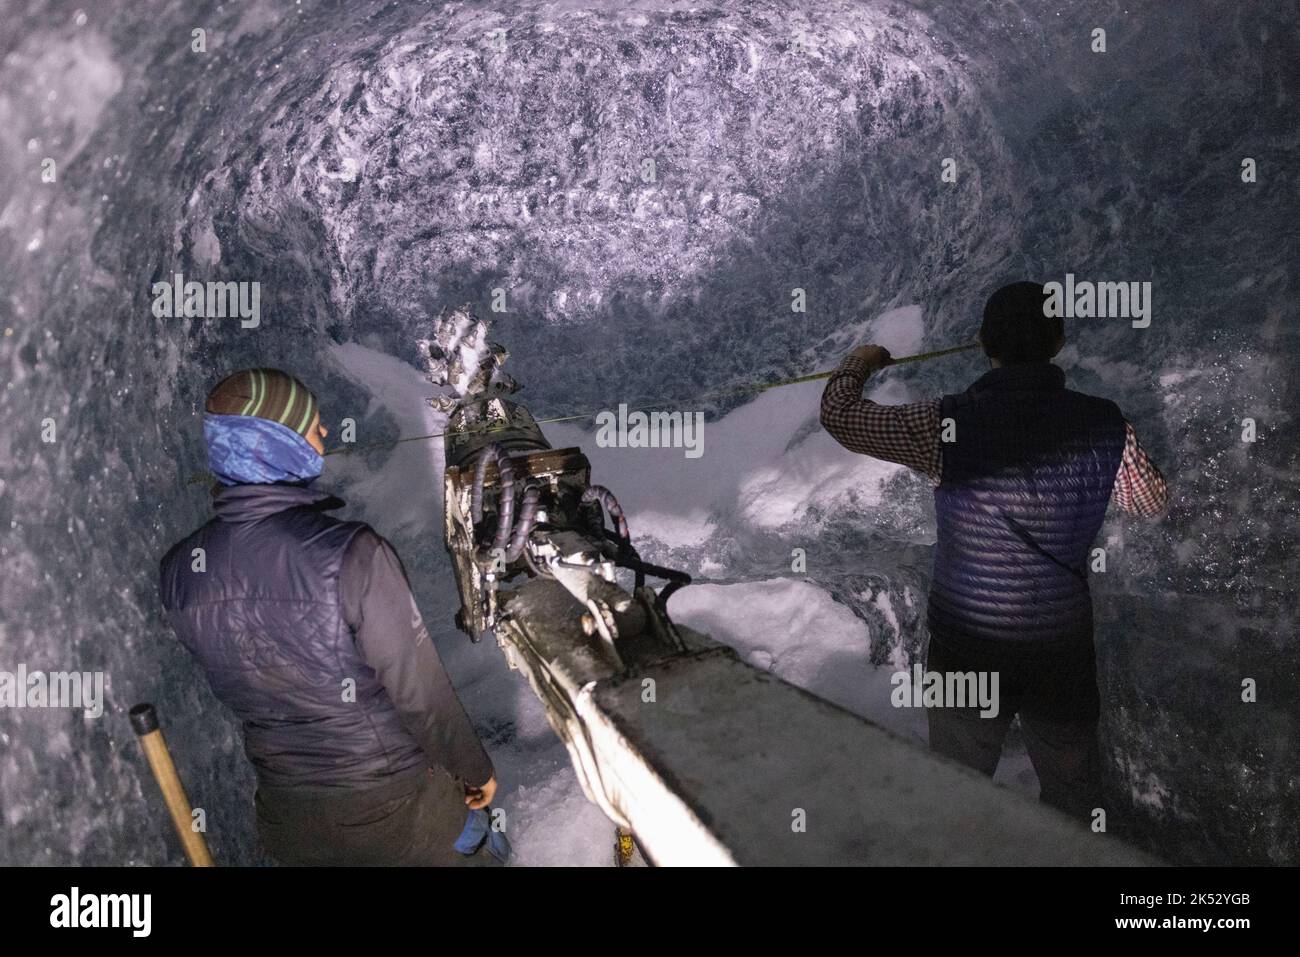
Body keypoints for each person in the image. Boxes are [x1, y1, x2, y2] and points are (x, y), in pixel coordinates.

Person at [820, 282, 1169, 821]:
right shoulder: (1107, 424)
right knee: (1073, 798)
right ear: (1057, 340)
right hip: (1060, 652)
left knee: (957, 786)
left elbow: (841, 416)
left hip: (967, 647)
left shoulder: (943, 424)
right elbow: (1149, 504)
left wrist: (859, 362)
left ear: (986, 344)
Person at [159, 368, 498, 865]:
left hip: (286, 820)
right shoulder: (353, 554)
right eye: (312, 427)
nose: (324, 434)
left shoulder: (180, 572)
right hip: (394, 810)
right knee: (482, 841)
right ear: (277, 444)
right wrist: (476, 768)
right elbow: (421, 695)